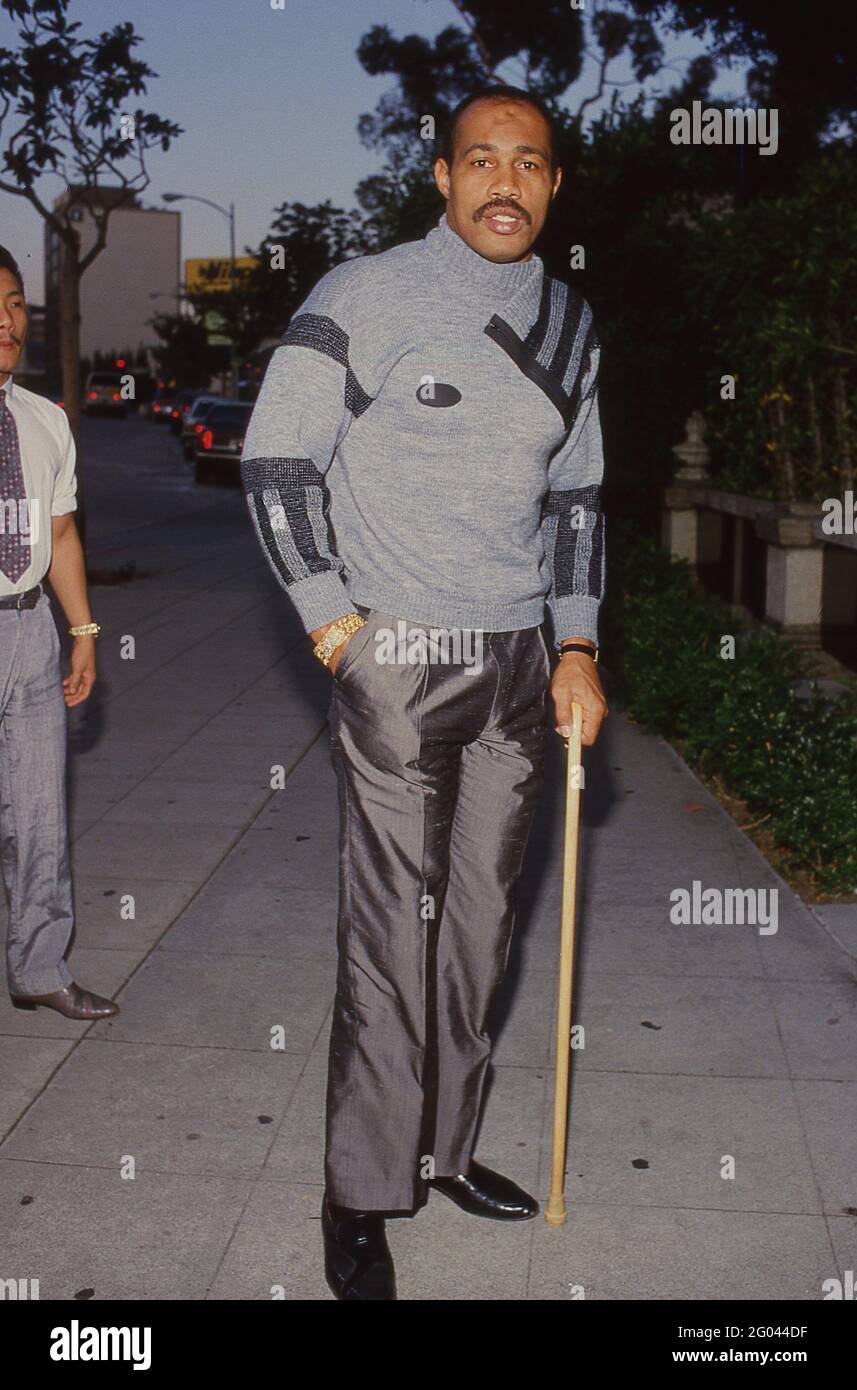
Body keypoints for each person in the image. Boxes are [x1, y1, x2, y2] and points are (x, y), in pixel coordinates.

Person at [240, 84, 608, 1300]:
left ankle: (442, 1148)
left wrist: (577, 646)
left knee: (483, 929)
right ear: (441, 177)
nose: (504, 184)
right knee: (393, 937)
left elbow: (576, 503)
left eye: (529, 164)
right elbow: (277, 456)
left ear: (553, 186)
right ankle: (358, 1192)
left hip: (518, 664)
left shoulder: (568, 325)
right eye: (480, 161)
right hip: (398, 657)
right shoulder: (365, 294)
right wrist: (333, 623)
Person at [0, 244, 116, 1021]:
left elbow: (63, 533)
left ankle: (39, 966)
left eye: (14, 303)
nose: (6, 322)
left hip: (30, 628)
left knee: (41, 813)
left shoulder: (44, 420)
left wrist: (83, 630)